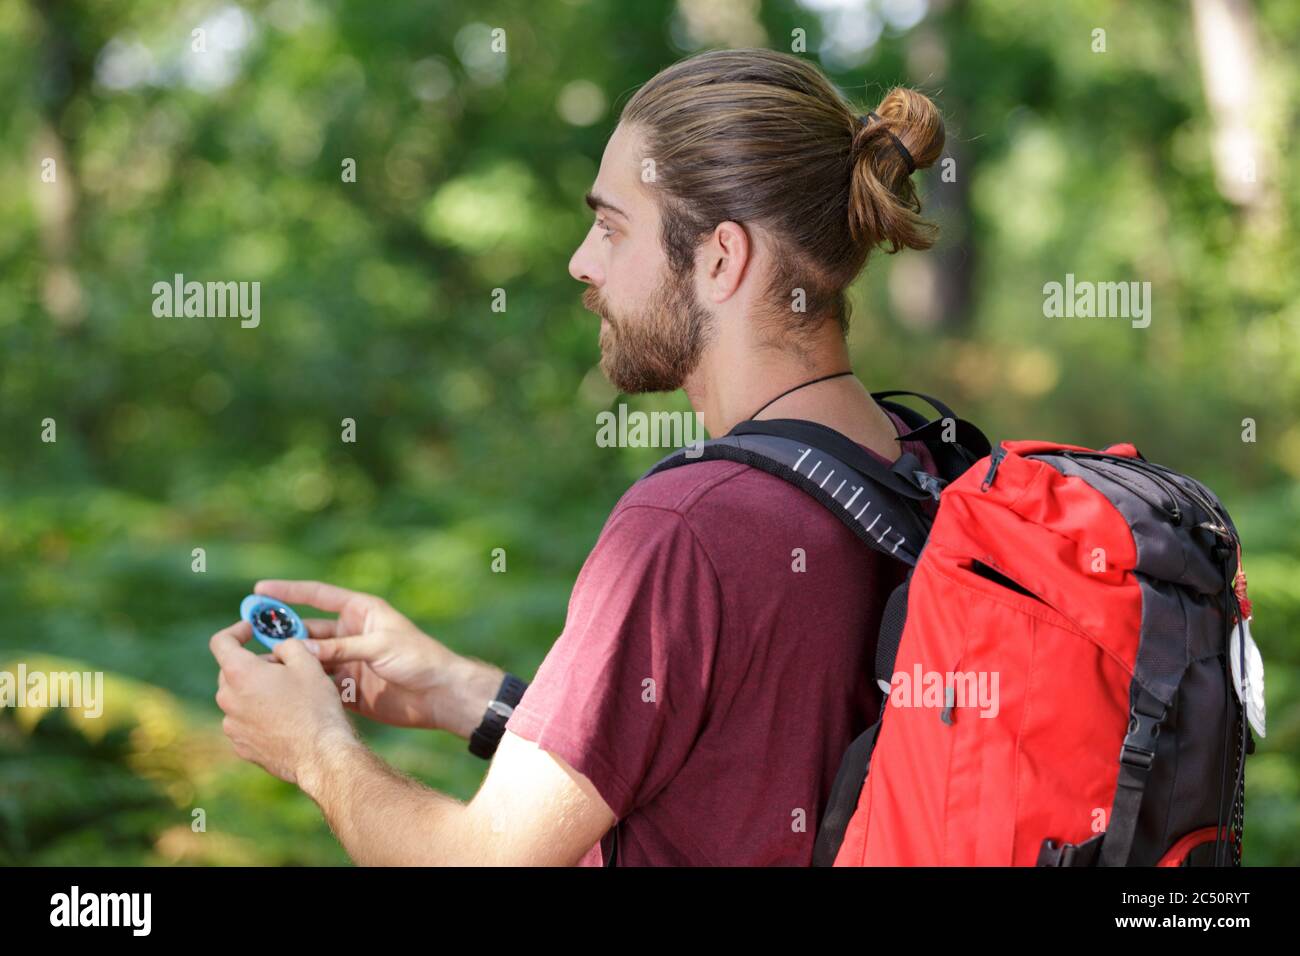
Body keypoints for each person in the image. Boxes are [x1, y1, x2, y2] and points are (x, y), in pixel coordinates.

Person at [209, 48, 946, 865]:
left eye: (611, 226)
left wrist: (314, 748)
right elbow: (723, 777)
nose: (582, 263)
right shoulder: (919, 469)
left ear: (721, 260)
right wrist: (464, 694)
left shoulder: (688, 527)